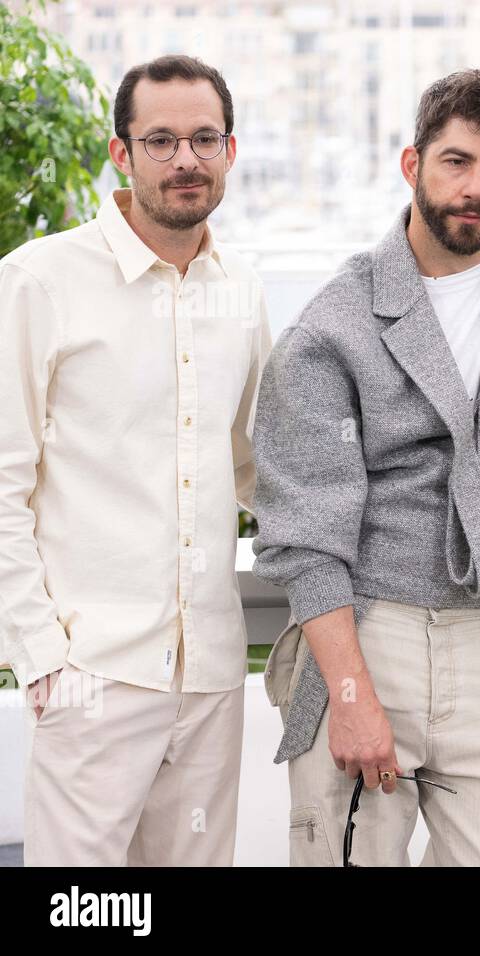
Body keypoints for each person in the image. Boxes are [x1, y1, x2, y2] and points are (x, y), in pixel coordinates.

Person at [251, 68, 480, 866]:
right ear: (411, 166)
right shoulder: (327, 330)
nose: (474, 188)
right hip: (366, 633)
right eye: (455, 163)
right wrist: (349, 696)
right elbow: (306, 545)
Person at [0, 55, 271, 865]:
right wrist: (41, 654)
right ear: (120, 153)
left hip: (211, 671)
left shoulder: (242, 291)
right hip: (92, 669)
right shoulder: (39, 282)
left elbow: (258, 468)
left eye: (203, 138)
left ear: (229, 149)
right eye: (160, 141)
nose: (185, 159)